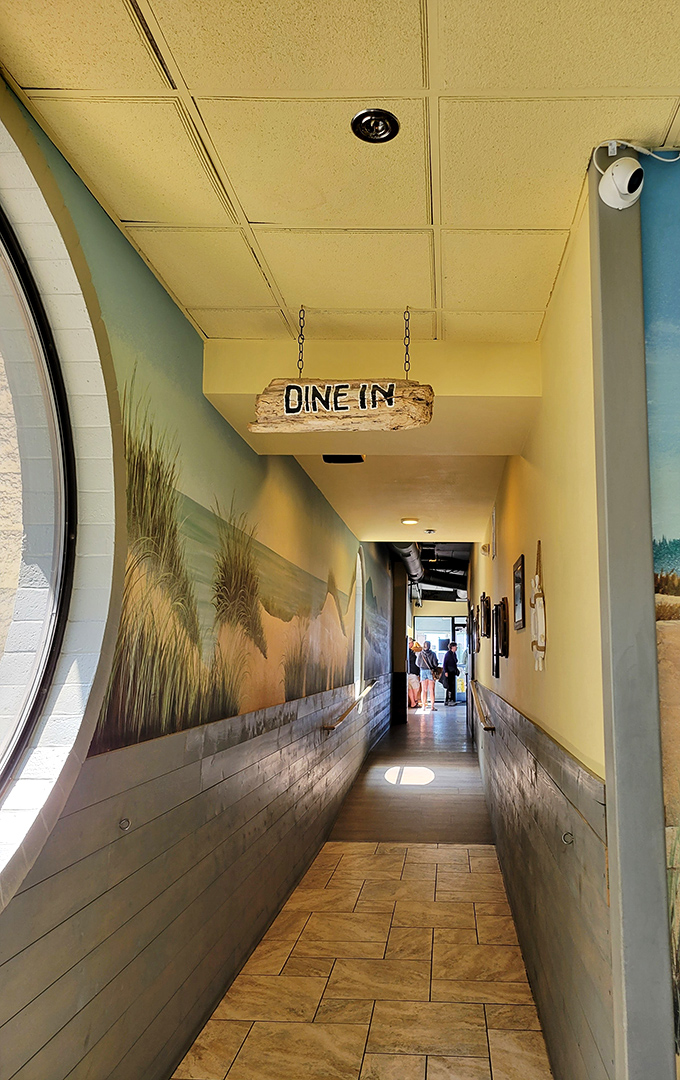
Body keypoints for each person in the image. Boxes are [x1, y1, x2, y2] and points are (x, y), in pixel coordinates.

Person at [416, 640, 439, 710]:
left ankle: (423, 706)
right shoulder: (433, 654)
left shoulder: (420, 654)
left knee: (424, 690)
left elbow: (417, 663)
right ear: (430, 646)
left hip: (423, 671)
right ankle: (432, 706)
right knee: (431, 690)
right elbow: (435, 664)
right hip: (430, 671)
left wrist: (422, 666)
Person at [443, 641, 459, 706]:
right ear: (452, 647)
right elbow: (444, 664)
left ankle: (450, 700)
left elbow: (455, 661)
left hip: (452, 672)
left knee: (452, 686)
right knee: (449, 686)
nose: (456, 647)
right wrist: (446, 671)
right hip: (449, 672)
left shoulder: (453, 654)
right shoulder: (448, 654)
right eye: (455, 646)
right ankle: (448, 700)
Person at [407, 639, 421, 708]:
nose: (412, 644)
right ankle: (415, 701)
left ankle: (413, 703)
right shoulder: (409, 652)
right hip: (412, 672)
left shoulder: (405, 652)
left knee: (410, 688)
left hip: (407, 673)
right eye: (412, 643)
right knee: (416, 687)